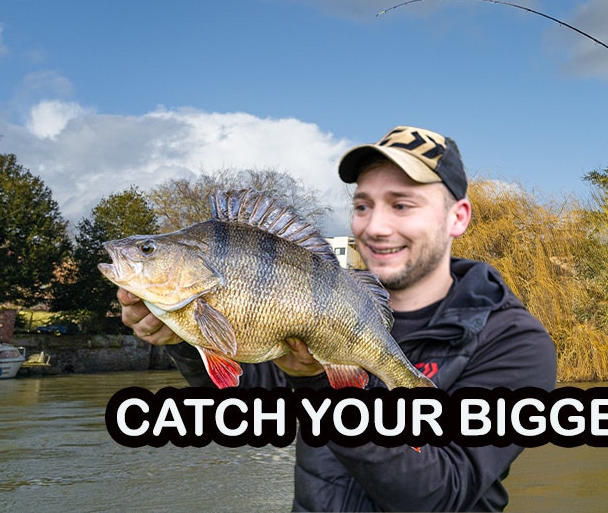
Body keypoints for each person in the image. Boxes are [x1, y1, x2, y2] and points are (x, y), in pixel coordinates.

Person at [121, 125, 558, 511]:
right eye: (363, 205)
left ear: (457, 217)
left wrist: (316, 383)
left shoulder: (515, 343)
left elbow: (437, 495)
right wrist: (184, 337)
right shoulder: (336, 298)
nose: (375, 227)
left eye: (402, 205)